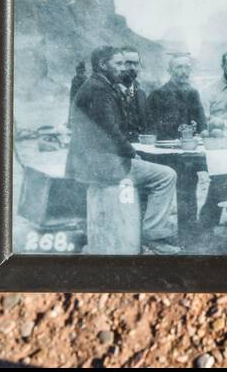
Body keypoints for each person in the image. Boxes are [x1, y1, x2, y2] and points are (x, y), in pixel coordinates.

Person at [65, 45, 179, 254]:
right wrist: (132, 153)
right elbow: (110, 130)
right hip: (103, 165)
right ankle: (154, 237)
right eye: (118, 64)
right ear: (102, 65)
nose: (122, 68)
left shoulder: (97, 85)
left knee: (150, 173)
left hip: (89, 163)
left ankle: (140, 234)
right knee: (166, 176)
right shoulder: (100, 90)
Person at [145, 53, 207, 142]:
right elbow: (151, 128)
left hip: (189, 145)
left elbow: (202, 123)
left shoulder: (193, 93)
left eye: (187, 67)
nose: (184, 71)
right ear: (169, 71)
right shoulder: (157, 94)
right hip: (165, 146)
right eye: (179, 67)